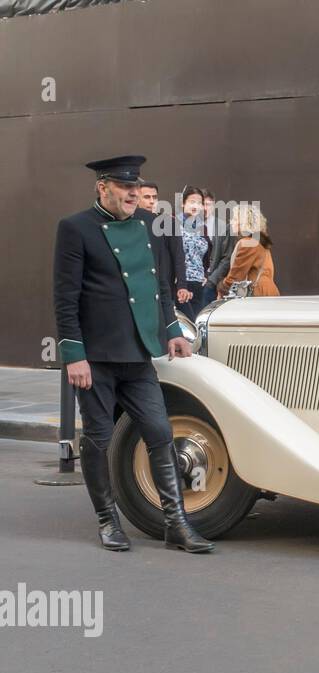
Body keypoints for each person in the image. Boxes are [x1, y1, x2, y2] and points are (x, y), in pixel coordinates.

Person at [52, 155, 214, 553]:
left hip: (138, 353)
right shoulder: (75, 229)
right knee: (99, 438)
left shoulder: (146, 226)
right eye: (124, 187)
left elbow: (158, 286)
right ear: (102, 187)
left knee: (159, 432)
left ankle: (176, 524)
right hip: (96, 358)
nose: (132, 193)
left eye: (135, 186)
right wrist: (73, 354)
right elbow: (65, 297)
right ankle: (109, 522)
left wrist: (172, 330)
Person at [220, 205, 280, 297]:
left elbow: (236, 276)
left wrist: (222, 288)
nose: (231, 222)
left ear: (244, 222)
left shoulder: (248, 243)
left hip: (258, 294)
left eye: (235, 219)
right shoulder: (259, 241)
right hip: (266, 293)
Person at [175, 186, 208, 321]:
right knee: (187, 324)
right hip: (182, 283)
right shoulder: (173, 223)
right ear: (183, 203)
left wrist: (206, 274)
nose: (196, 206)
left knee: (197, 323)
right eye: (192, 202)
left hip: (198, 283)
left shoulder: (201, 226)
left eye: (199, 202)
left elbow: (205, 255)